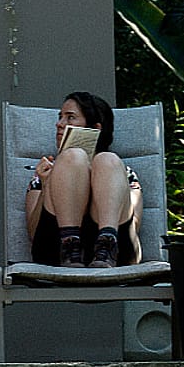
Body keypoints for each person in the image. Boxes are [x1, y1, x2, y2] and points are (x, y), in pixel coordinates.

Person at [25, 91, 142, 268]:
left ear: (95, 128)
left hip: (118, 255)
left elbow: (133, 228)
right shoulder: (45, 171)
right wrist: (48, 183)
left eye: (70, 118)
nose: (59, 124)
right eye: (60, 117)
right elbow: (34, 234)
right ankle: (70, 244)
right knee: (72, 157)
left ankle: (107, 244)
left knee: (106, 160)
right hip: (54, 253)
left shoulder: (122, 171)